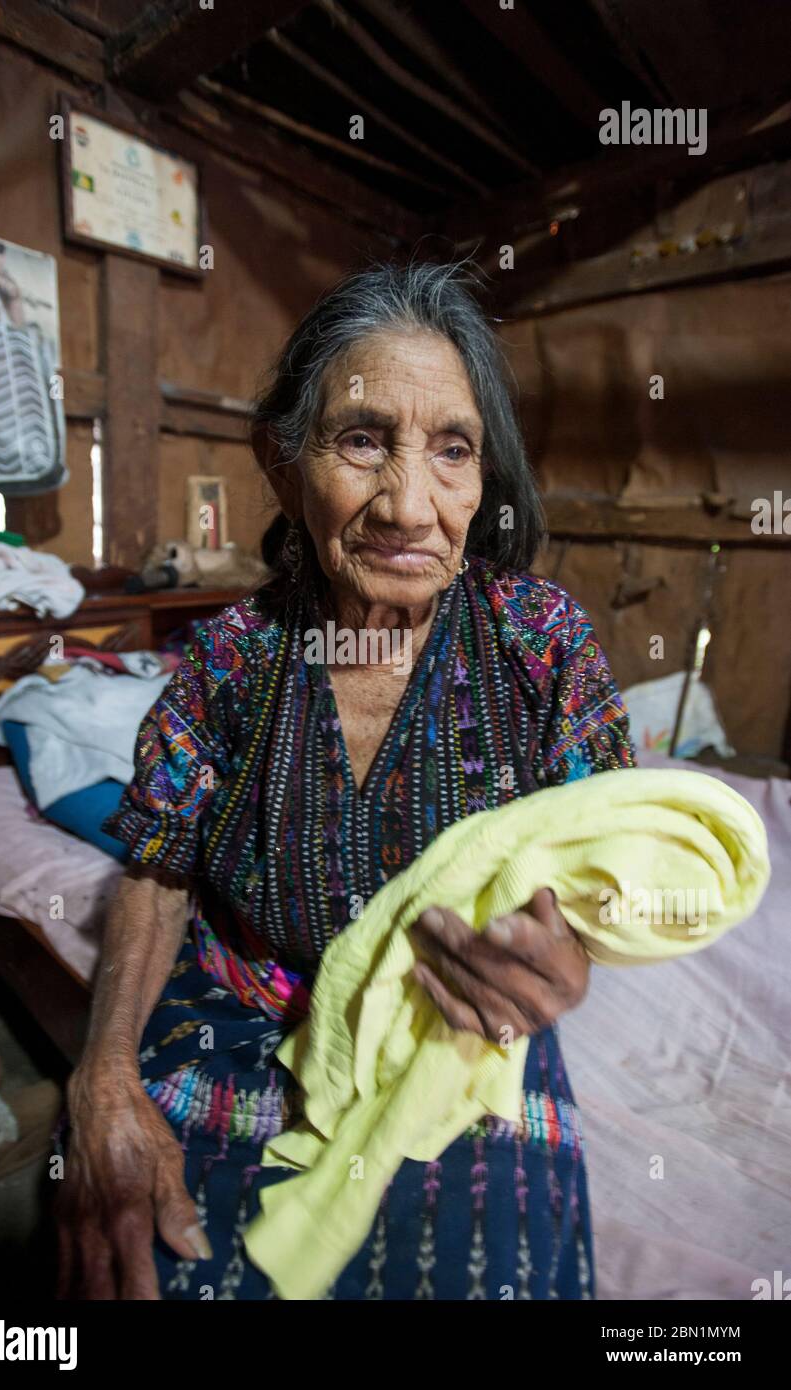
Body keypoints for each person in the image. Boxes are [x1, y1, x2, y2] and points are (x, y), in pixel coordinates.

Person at [56, 261, 636, 1300]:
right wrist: (98, 1079)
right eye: (362, 439)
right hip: (244, 1022)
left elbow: (609, 856)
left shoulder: (539, 645)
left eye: (451, 450)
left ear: (483, 480)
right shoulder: (232, 658)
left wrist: (568, 952)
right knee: (147, 1270)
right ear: (284, 464)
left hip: (448, 1030)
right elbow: (154, 864)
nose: (408, 505)